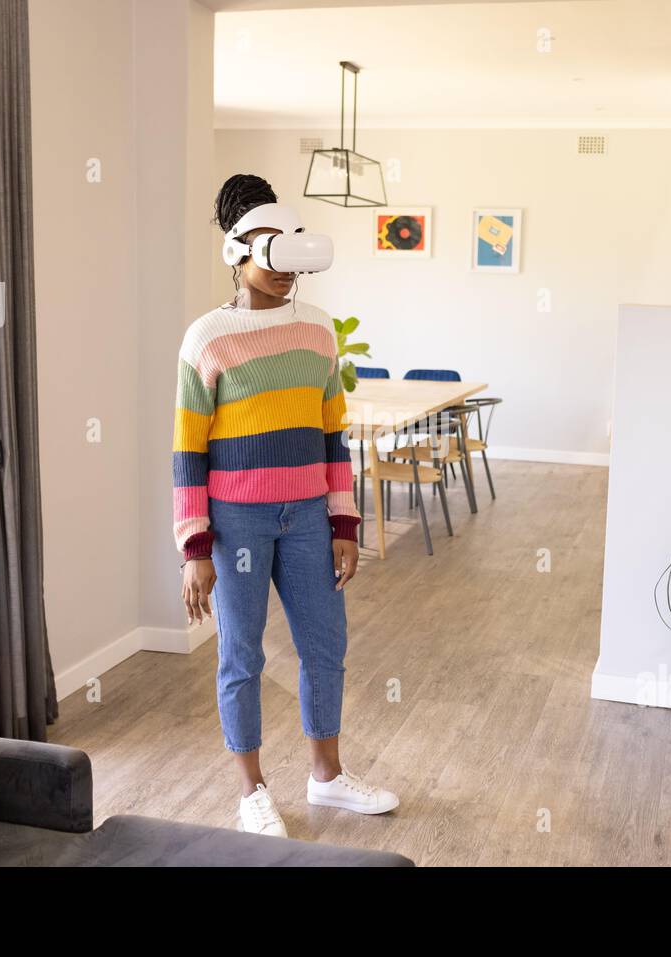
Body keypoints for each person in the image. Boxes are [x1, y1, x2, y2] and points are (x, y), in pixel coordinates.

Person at [172, 173, 399, 838]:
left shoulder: (318, 331)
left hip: (306, 517)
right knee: (242, 656)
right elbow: (188, 450)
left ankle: (326, 777)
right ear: (236, 252)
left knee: (325, 646)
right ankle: (252, 790)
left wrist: (344, 520)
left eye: (293, 249)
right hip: (236, 522)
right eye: (270, 250)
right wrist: (194, 546)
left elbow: (333, 434)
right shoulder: (207, 337)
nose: (285, 267)